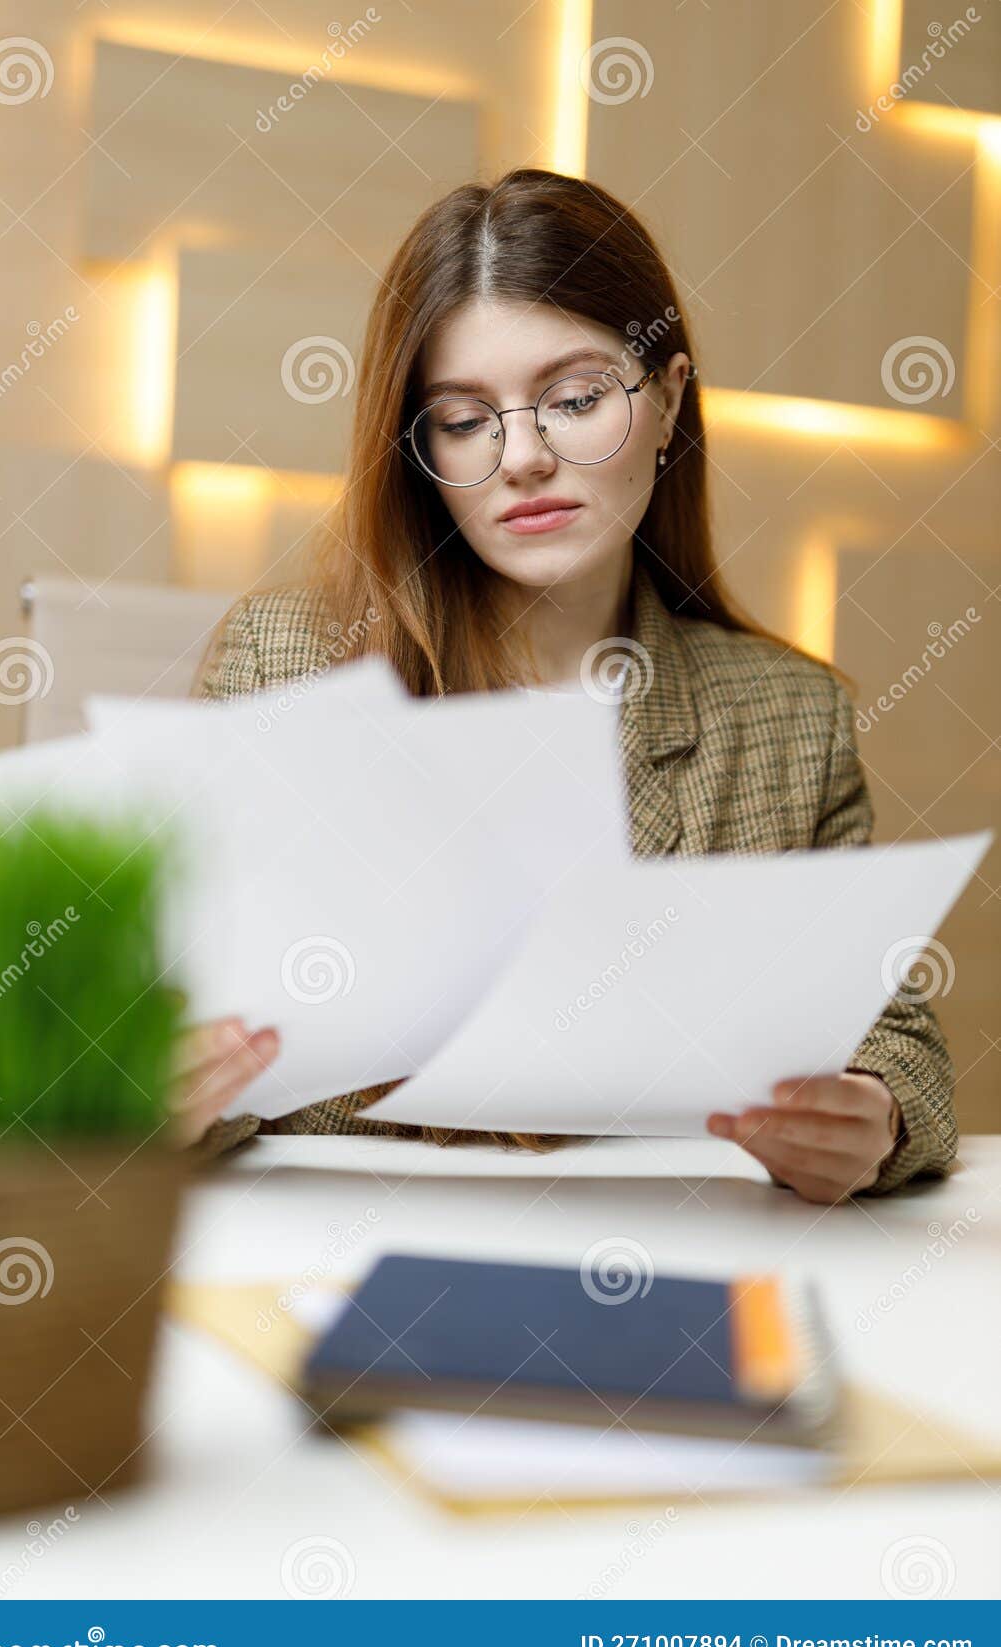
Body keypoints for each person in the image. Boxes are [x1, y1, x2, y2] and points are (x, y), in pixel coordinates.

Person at [176, 167, 955, 1204]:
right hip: (329, 1266)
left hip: (651, 1282)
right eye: (462, 420)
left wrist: (874, 1114)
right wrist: (144, 1089)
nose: (523, 458)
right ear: (416, 452)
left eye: (575, 399)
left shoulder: (783, 716)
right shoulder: (284, 669)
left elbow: (897, 1041)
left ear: (669, 395)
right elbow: (154, 1024)